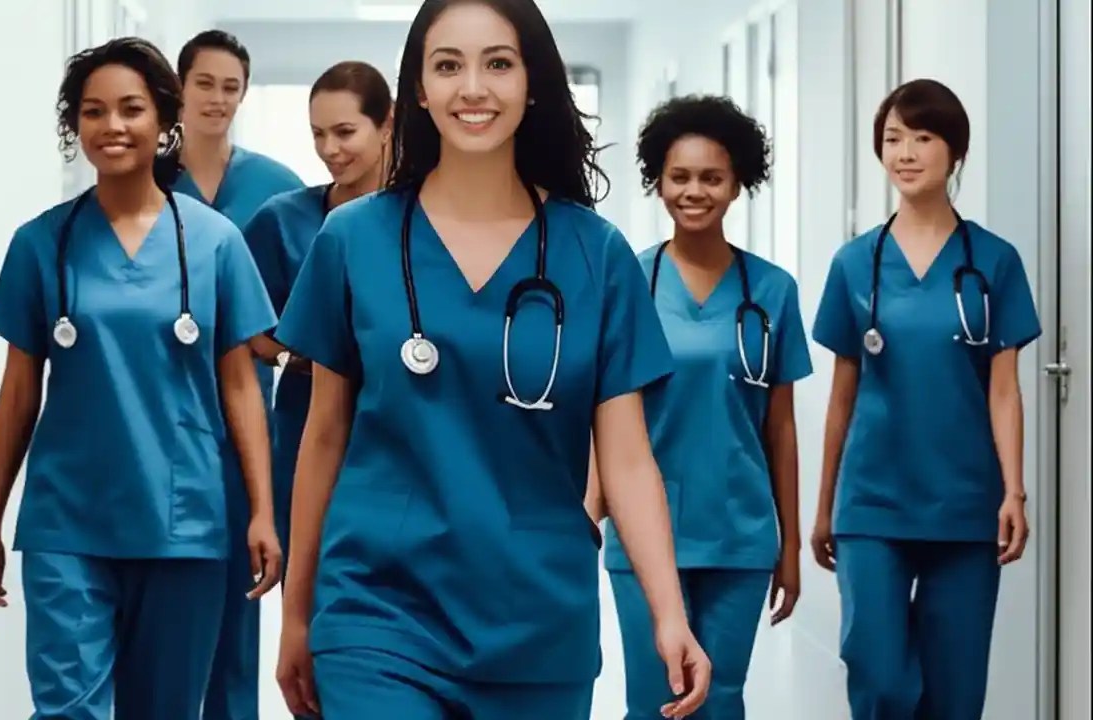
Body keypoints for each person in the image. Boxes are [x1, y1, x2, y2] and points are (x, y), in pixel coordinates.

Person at [272, 1, 712, 718]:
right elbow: (323, 437)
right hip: (379, 613)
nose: (472, 87)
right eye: (448, 65)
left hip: (536, 621)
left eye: (498, 64)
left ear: (532, 81)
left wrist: (668, 612)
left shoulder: (593, 254)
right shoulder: (352, 240)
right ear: (418, 87)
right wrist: (298, 615)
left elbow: (628, 458)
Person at [0, 37, 282, 719]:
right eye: (94, 111)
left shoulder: (214, 242)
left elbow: (240, 389)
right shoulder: (40, 243)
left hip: (184, 521)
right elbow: (18, 394)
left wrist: (261, 509)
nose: (112, 126)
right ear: (74, 126)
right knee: (68, 710)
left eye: (131, 109)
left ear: (163, 120)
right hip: (67, 523)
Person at [810, 78, 1040, 720]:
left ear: (955, 151)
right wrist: (824, 505)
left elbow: (1003, 389)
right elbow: (841, 396)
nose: (904, 152)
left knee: (955, 695)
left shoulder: (994, 262)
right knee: (879, 677)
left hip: (964, 505)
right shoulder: (855, 263)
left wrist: (1013, 491)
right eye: (891, 139)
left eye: (922, 136)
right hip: (873, 506)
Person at [590, 94, 812, 720]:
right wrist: (589, 508)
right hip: (643, 534)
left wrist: (789, 547)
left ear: (737, 182)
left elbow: (781, 429)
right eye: (679, 176)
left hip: (739, 532)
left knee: (721, 702)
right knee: (654, 704)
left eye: (711, 177)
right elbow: (602, 416)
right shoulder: (629, 282)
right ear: (657, 182)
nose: (695, 191)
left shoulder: (772, 290)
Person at [170, 29, 303, 720]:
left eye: (231, 87)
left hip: (246, 422)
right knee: (162, 625)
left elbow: (300, 315)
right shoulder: (147, 179)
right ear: (179, 88)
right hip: (161, 416)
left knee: (237, 608)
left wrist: (276, 350)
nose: (218, 99)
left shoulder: (277, 190)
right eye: (205, 84)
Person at [242, 60, 394, 561]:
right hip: (308, 430)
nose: (330, 149)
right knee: (312, 592)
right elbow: (253, 333)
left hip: (400, 438)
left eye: (345, 131)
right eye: (318, 134)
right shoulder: (284, 220)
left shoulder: (427, 219)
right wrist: (310, 353)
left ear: (387, 122)